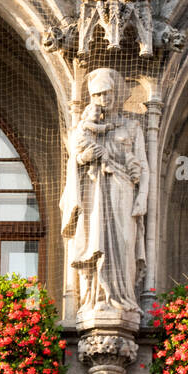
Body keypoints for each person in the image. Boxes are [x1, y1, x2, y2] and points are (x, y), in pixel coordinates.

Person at [61, 69, 149, 316]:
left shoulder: (132, 127)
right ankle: (93, 299)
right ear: (92, 97)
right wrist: (88, 155)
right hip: (93, 191)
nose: (103, 98)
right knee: (93, 240)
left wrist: (142, 198)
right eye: (98, 94)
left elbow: (144, 166)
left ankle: (124, 296)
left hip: (123, 191)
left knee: (123, 242)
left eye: (107, 93)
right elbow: (76, 161)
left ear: (115, 93)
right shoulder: (84, 128)